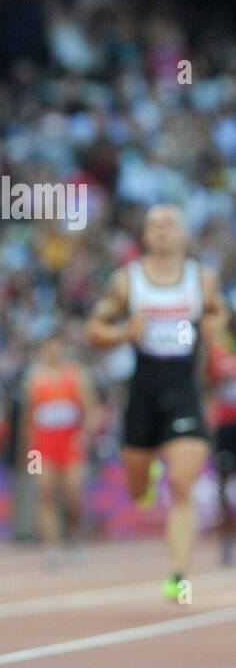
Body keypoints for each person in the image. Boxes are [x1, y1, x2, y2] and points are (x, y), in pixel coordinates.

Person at [87, 204, 225, 601]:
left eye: (170, 224)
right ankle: (141, 482)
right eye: (154, 225)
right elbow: (95, 328)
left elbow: (218, 313)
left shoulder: (202, 278)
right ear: (145, 235)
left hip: (184, 388)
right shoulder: (127, 281)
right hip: (143, 390)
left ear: (183, 234)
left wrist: (215, 324)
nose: (162, 230)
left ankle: (178, 576)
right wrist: (122, 333)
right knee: (135, 484)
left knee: (182, 484)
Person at [20, 329, 98, 568]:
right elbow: (28, 418)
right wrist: (30, 453)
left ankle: (74, 537)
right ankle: (52, 547)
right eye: (48, 348)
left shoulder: (76, 375)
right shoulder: (33, 378)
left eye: (56, 347)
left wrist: (84, 435)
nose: (52, 352)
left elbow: (92, 411)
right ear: (42, 350)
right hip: (43, 445)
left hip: (70, 443)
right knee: (46, 494)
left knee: (74, 496)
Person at [202, 309, 236, 566]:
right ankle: (226, 540)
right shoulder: (218, 351)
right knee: (223, 483)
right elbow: (207, 382)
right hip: (225, 425)